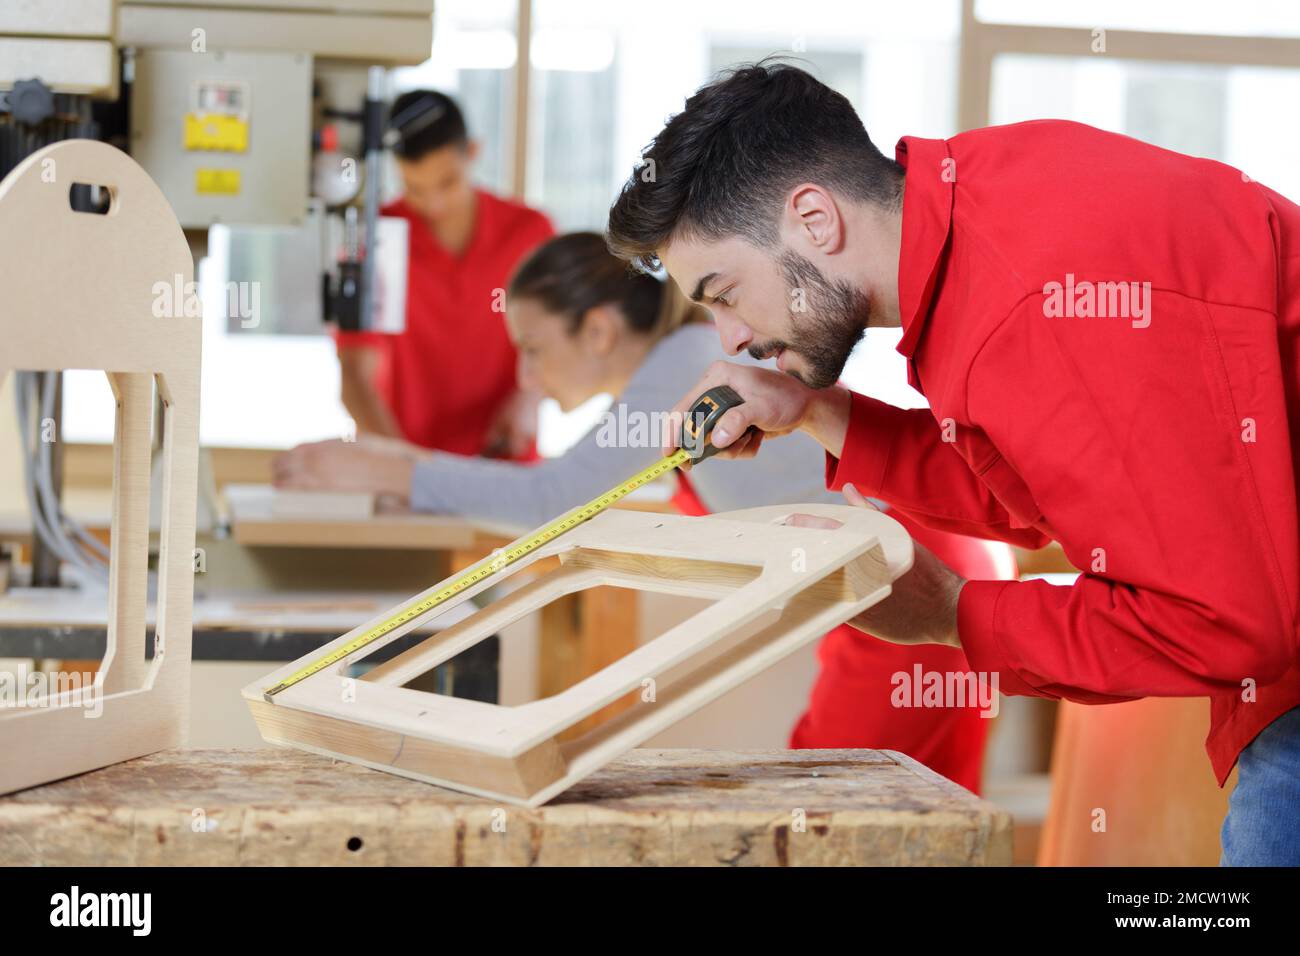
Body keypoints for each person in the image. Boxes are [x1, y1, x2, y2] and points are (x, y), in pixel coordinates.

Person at [604, 61, 1300, 865]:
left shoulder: (1033, 299)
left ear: (813, 218)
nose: (729, 337)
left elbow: (1225, 627)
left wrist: (950, 614)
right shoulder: (982, 220)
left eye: (723, 292)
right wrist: (822, 414)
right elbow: (1046, 487)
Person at [276, 231, 1014, 793]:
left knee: (849, 814)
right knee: (887, 809)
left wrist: (397, 468)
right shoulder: (682, 362)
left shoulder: (680, 360)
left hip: (909, 582)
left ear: (597, 332)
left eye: (532, 350)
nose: (526, 376)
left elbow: (554, 500)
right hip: (912, 572)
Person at [337, 89, 554, 458]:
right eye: (415, 188)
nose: (432, 204)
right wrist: (407, 469)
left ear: (472, 152)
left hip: (505, 469)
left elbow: (558, 342)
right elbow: (356, 378)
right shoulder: (374, 239)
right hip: (402, 478)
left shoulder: (530, 232)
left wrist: (529, 397)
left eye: (447, 183)